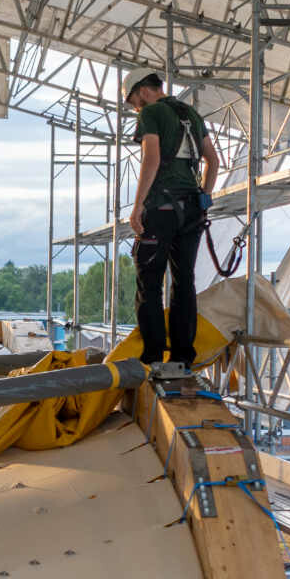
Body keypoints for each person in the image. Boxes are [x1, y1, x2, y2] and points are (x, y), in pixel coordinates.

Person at [125, 72, 220, 366]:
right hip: (191, 208)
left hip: (161, 207)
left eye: (133, 103)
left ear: (142, 92)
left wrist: (138, 205)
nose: (136, 109)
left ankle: (153, 357)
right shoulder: (190, 113)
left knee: (150, 283)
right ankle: (182, 357)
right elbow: (213, 160)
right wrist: (204, 194)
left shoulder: (151, 112)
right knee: (184, 282)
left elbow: (151, 159)